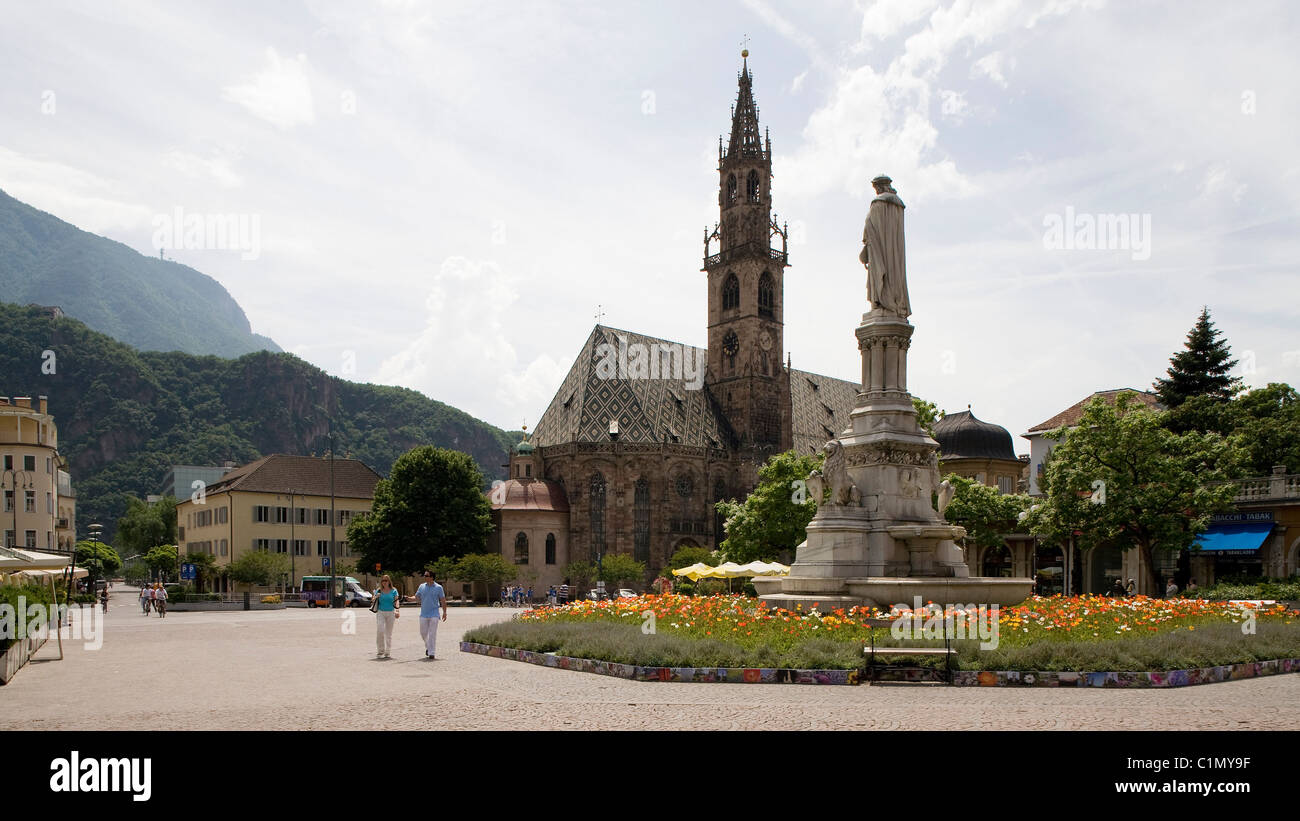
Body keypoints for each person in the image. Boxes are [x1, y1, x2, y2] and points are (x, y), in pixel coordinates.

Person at [414, 570, 447, 659]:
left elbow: (443, 600)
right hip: (423, 614)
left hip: (434, 613)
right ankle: (428, 647)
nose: (425, 577)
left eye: (426, 575)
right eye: (424, 575)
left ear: (432, 577)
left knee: (432, 633)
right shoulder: (421, 586)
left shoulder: (439, 587)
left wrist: (444, 612)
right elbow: (417, 597)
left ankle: (432, 652)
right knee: (423, 633)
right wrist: (408, 598)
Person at [372, 574, 400, 658]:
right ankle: (380, 650)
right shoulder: (379, 590)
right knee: (380, 630)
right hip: (381, 612)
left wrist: (397, 610)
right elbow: (372, 600)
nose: (384, 582)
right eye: (383, 580)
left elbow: (396, 600)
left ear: (389, 581)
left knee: (388, 633)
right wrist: (376, 596)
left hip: (391, 612)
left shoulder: (394, 590)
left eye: (386, 580)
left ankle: (387, 650)